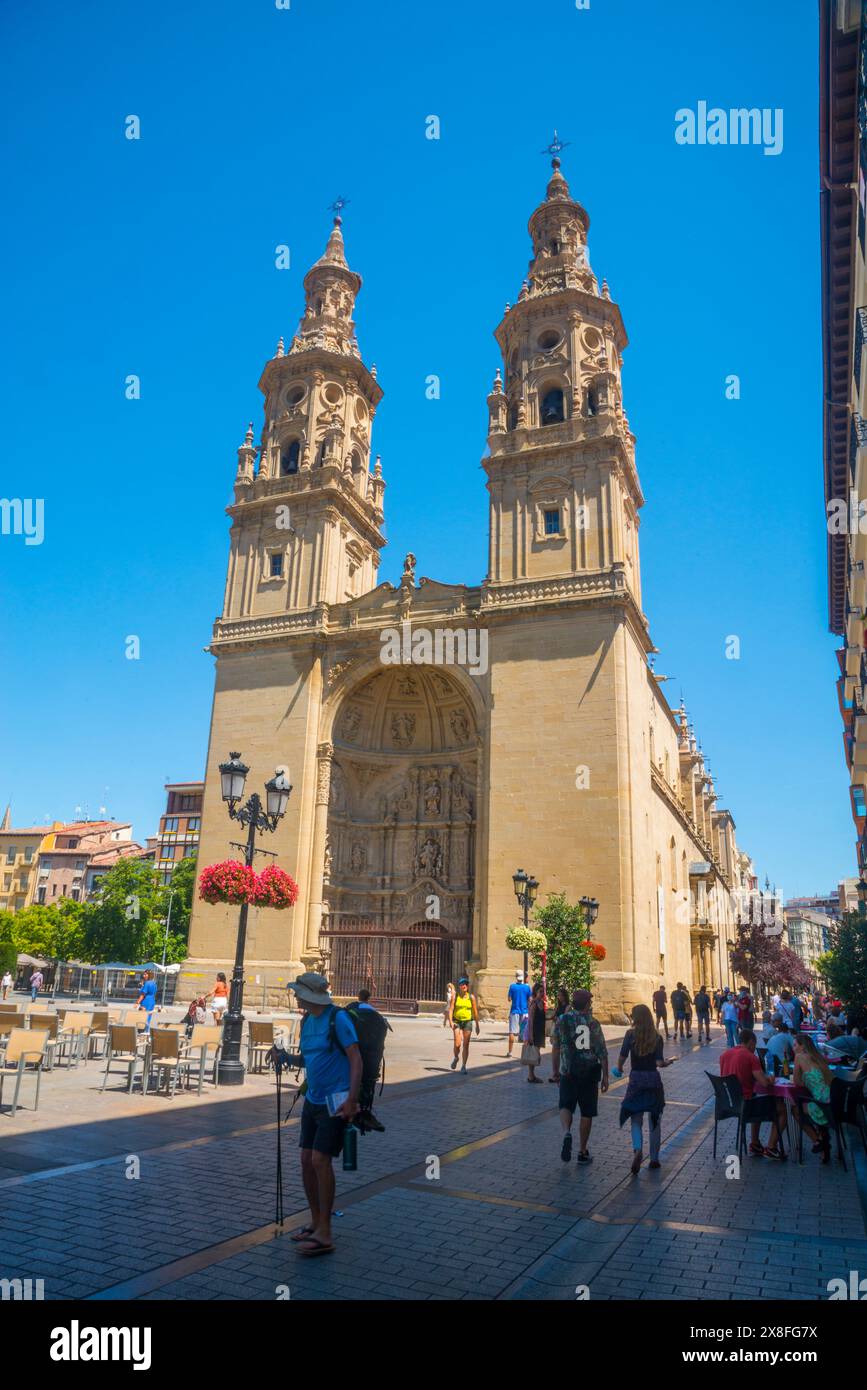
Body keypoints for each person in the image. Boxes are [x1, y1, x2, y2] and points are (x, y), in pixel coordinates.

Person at [288, 972, 362, 1256]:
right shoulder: (307, 1021)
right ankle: (315, 1221)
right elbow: (308, 1058)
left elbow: (356, 1060)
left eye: (298, 992)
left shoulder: (338, 1019)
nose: (295, 996)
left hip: (337, 1100)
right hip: (314, 1099)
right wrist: (286, 1058)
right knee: (306, 1160)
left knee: (321, 1160)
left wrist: (352, 1099)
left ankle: (326, 1232)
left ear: (309, 996)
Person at [615, 1003, 676, 1174]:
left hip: (636, 1079)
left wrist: (618, 1069)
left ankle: (637, 1149)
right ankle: (654, 1159)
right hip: (653, 1079)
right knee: (655, 1119)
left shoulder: (630, 1035)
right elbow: (659, 1063)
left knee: (636, 1118)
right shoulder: (656, 1037)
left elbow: (621, 1057)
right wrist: (668, 1062)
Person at [551, 988, 609, 1165]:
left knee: (565, 1105)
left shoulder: (562, 1020)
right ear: (586, 1004)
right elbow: (602, 1052)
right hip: (589, 1071)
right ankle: (582, 1151)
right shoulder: (593, 1023)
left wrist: (555, 1071)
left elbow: (556, 1047)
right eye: (589, 1001)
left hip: (568, 1070)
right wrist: (605, 1076)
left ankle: (566, 1132)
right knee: (586, 1112)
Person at [719, 1028, 785, 1159]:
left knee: (757, 1097)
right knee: (781, 1109)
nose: (754, 1048)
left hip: (729, 1104)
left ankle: (755, 1143)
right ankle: (771, 1147)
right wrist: (770, 1078)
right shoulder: (750, 1057)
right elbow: (764, 1083)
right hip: (747, 1105)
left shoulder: (724, 1055)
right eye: (754, 1045)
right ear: (750, 1042)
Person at [792, 1033, 833, 1164]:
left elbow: (797, 1082)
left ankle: (817, 1140)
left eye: (795, 1045)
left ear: (802, 1046)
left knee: (795, 1110)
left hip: (821, 1103)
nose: (793, 1048)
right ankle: (823, 1140)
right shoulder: (819, 1058)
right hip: (833, 1101)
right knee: (809, 1103)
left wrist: (805, 1081)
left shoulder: (798, 1057)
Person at [449, 977, 479, 1074]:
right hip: (457, 1021)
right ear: (459, 986)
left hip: (467, 1022)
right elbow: (451, 1009)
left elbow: (475, 1012)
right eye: (462, 984)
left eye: (466, 984)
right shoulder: (455, 996)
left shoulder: (471, 997)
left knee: (466, 1045)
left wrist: (477, 1025)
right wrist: (450, 1021)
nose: (464, 985)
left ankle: (463, 1066)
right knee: (457, 1044)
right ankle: (456, 1057)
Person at [523, 980, 546, 1083]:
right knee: (533, 1053)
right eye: (540, 991)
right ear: (536, 992)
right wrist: (530, 1035)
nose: (542, 993)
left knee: (536, 1053)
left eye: (543, 991)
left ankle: (532, 1075)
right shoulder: (534, 1003)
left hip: (540, 1032)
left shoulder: (542, 1003)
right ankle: (531, 1076)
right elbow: (531, 1020)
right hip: (534, 1031)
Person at [507, 970, 532, 1058]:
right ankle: (525, 1054)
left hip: (514, 1011)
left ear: (516, 977)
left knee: (512, 1032)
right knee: (525, 1033)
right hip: (524, 1012)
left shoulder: (512, 986)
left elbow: (509, 999)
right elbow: (530, 1000)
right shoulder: (527, 987)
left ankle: (510, 1052)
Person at [548, 987, 570, 1083]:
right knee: (555, 1052)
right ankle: (555, 1073)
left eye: (560, 995)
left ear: (565, 996)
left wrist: (557, 1018)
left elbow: (564, 1018)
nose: (559, 997)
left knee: (563, 1052)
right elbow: (553, 1016)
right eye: (558, 995)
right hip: (556, 1030)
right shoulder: (558, 1006)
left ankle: (562, 1073)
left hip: (563, 1031)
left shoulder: (568, 1007)